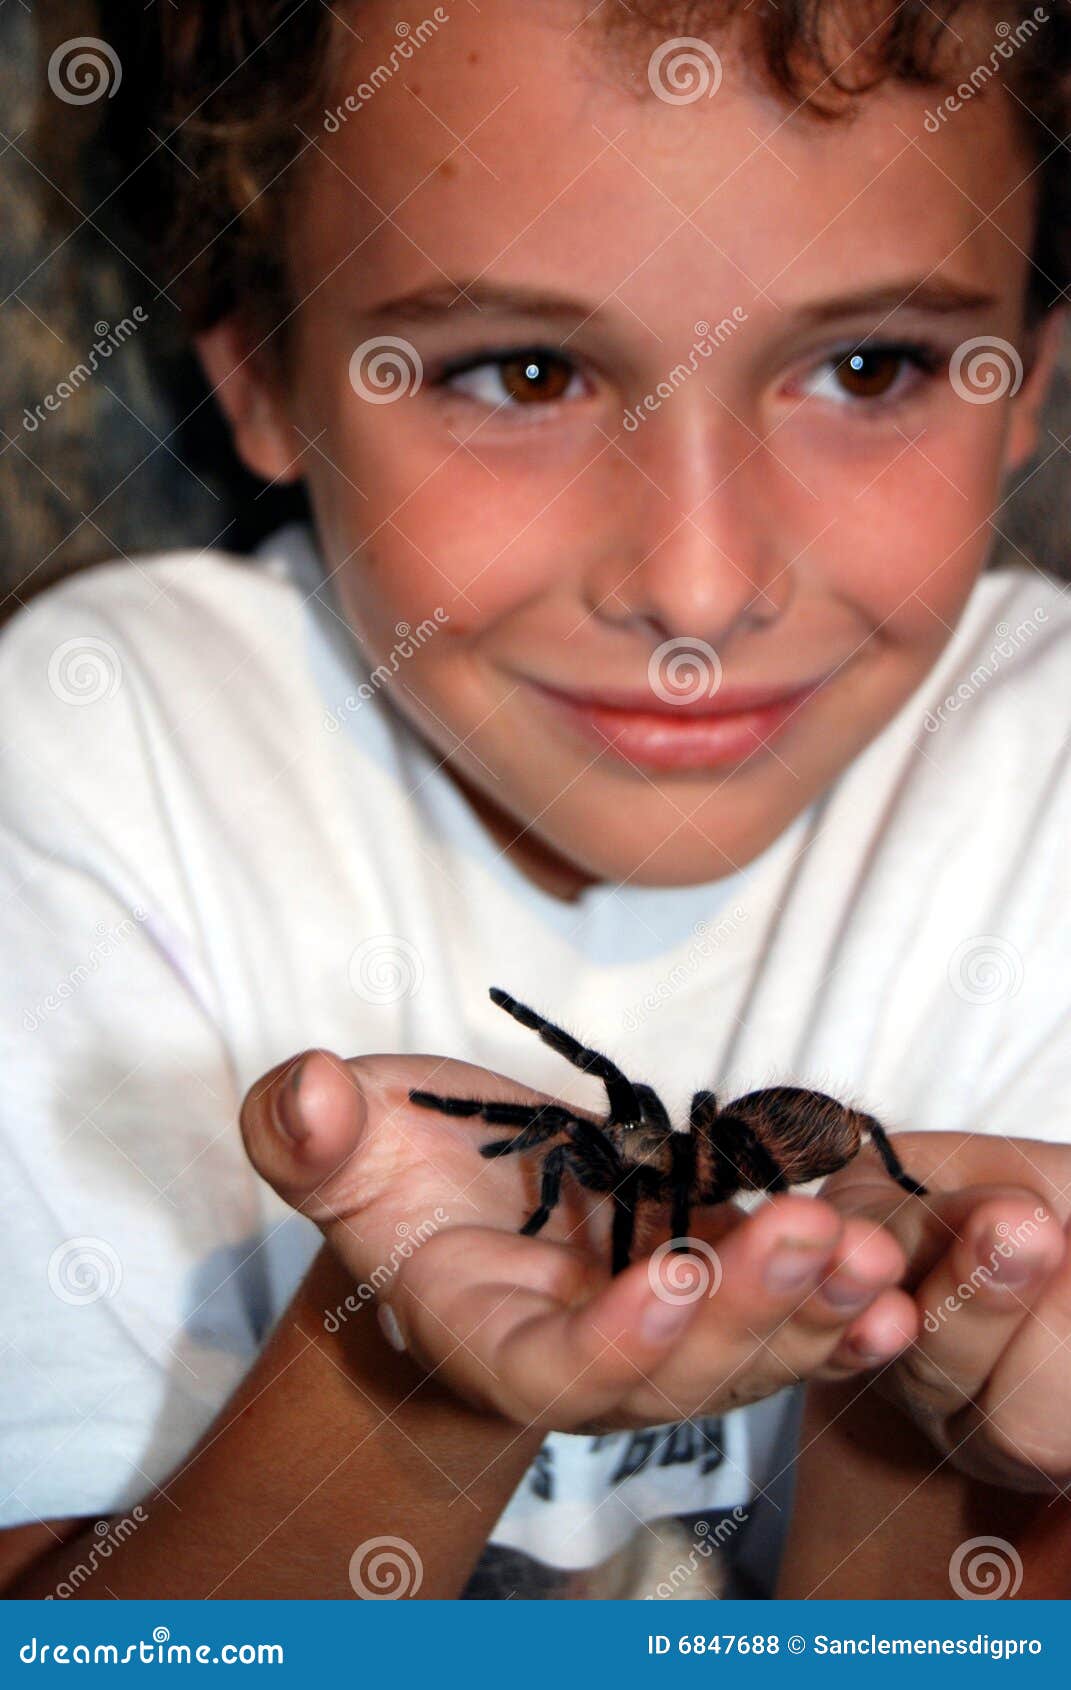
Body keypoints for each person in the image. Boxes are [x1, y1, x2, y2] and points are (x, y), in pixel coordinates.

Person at [2, 0, 1070, 1601]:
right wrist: (422, 1383)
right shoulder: (99, 757)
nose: (698, 587)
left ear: (1032, 380)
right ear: (263, 373)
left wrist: (910, 1407)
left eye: (870, 365)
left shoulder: (1042, 780)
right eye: (522, 369)